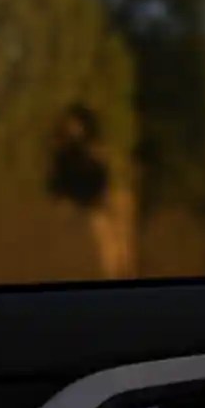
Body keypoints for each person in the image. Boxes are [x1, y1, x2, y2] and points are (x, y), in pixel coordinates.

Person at [48, 102, 135, 279]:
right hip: (93, 198)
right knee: (107, 239)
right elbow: (58, 181)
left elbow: (111, 168)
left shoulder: (93, 145)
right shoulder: (64, 152)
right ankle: (117, 275)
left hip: (108, 192)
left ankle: (127, 271)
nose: (76, 129)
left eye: (78, 124)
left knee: (122, 238)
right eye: (72, 125)